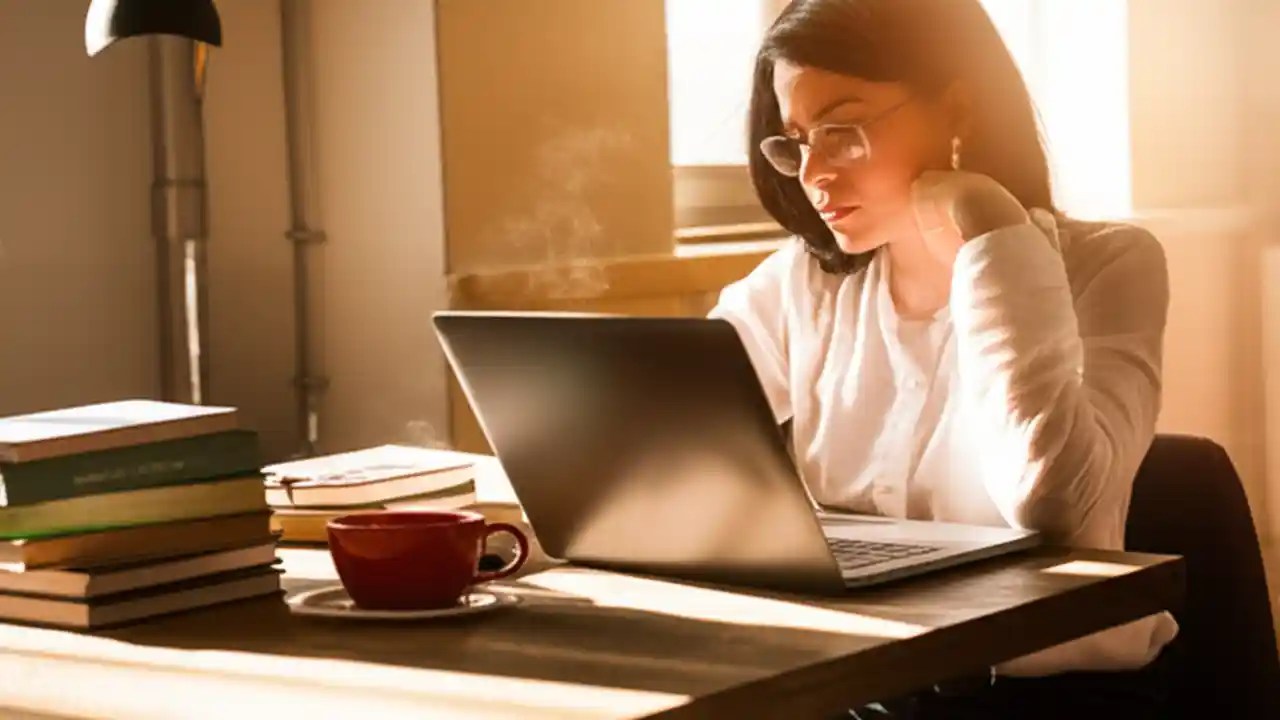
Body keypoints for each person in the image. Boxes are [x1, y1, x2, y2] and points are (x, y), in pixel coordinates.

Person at [708, 0, 1180, 717]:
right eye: (797, 140)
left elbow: (1050, 501)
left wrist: (991, 226)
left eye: (844, 131)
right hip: (861, 683)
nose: (814, 175)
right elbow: (672, 428)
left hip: (1052, 700)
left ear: (957, 107)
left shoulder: (1110, 267)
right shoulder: (804, 283)